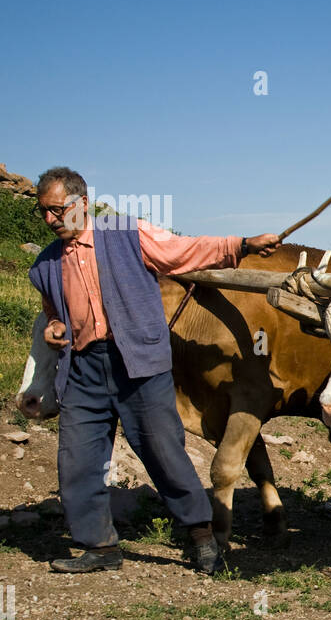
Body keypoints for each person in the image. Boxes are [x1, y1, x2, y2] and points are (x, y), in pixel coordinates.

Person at [28, 167, 279, 574]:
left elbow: (184, 251)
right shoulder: (45, 265)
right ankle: (100, 547)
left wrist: (244, 244)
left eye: (57, 210)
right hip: (84, 370)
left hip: (138, 364)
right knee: (77, 460)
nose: (50, 220)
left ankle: (201, 537)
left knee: (163, 451)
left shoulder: (125, 234)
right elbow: (54, 313)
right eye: (43, 212)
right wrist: (57, 328)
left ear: (82, 204)